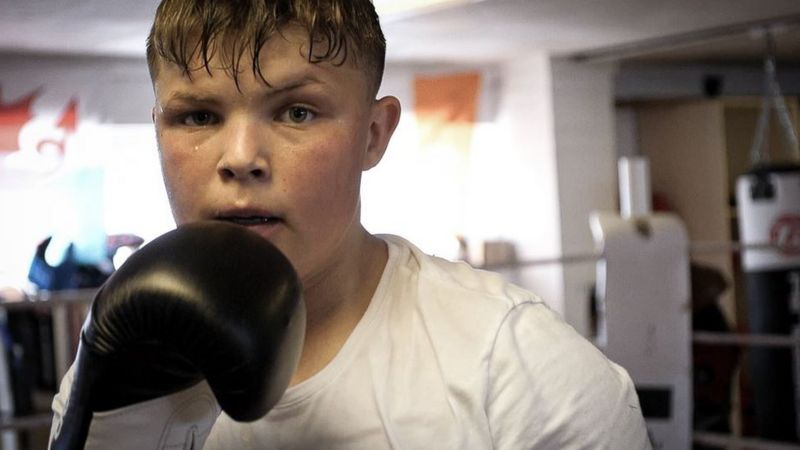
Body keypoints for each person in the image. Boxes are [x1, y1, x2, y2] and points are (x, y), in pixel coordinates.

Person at [50, 0, 651, 448]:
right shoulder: (119, 360)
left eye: (297, 111)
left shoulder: (515, 366)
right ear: (158, 133)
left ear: (373, 134)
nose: (239, 157)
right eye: (198, 115)